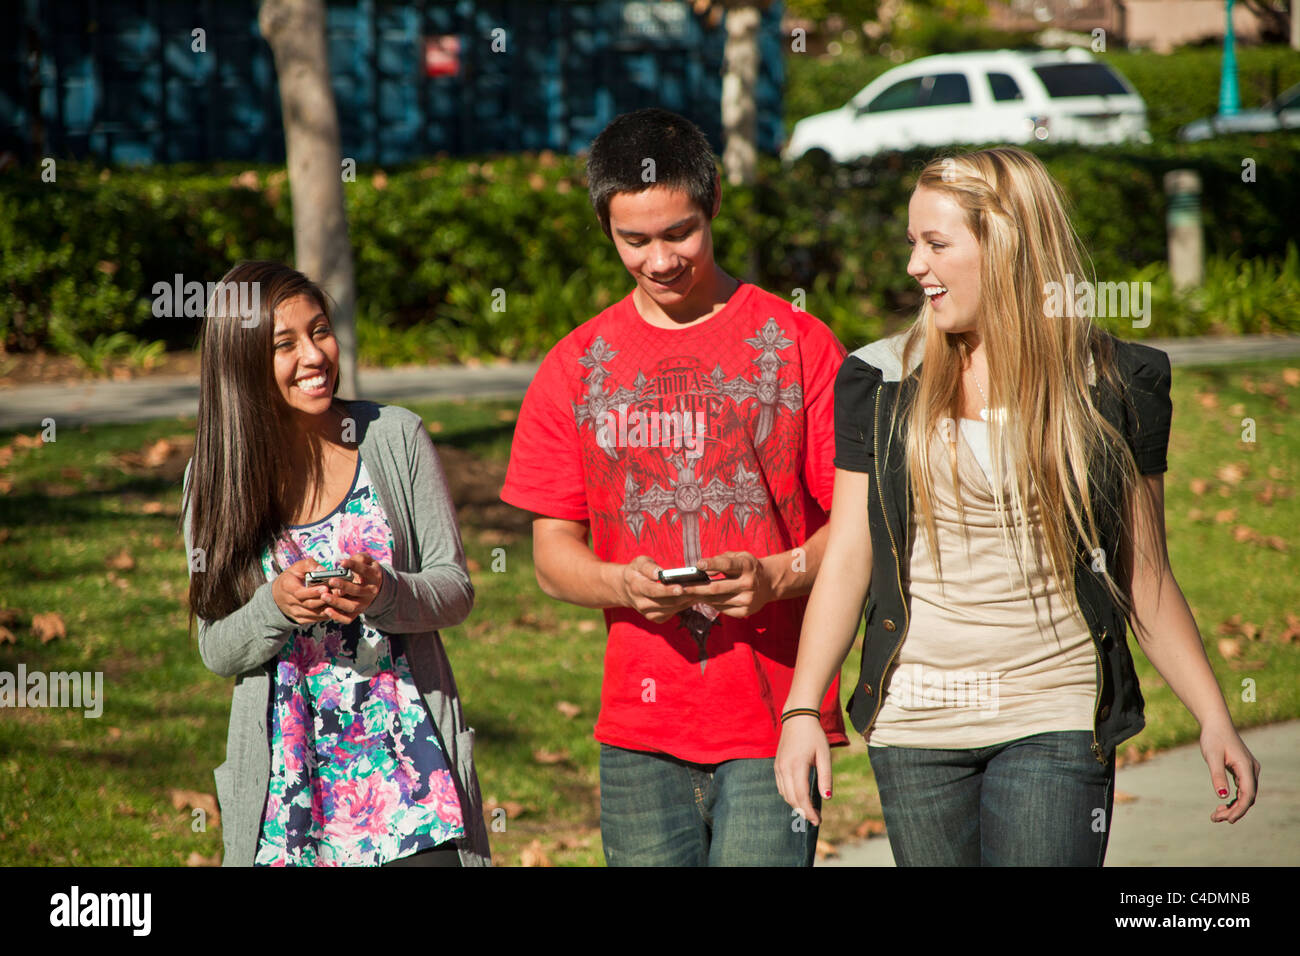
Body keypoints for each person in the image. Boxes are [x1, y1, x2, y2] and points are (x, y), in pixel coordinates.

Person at [774, 146, 1261, 866]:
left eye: (936, 244)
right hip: (917, 724)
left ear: (1007, 250)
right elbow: (849, 557)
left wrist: (1213, 717)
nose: (914, 265)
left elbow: (1144, 573)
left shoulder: (1118, 383)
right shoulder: (878, 381)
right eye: (912, 242)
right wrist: (801, 709)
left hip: (1055, 711)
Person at [500, 108, 848, 866]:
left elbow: (859, 533)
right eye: (635, 240)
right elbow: (552, 555)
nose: (659, 260)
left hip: (777, 713)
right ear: (607, 230)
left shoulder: (797, 344)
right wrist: (622, 585)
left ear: (713, 205)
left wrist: (777, 576)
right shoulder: (575, 366)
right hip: (640, 728)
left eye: (679, 233)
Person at [181, 261, 490, 867]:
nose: (315, 355)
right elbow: (216, 646)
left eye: (320, 330)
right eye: (284, 344)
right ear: (241, 364)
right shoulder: (214, 480)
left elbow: (455, 589)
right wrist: (275, 606)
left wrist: (384, 591)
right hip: (290, 798)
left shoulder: (394, 436)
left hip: (412, 782)